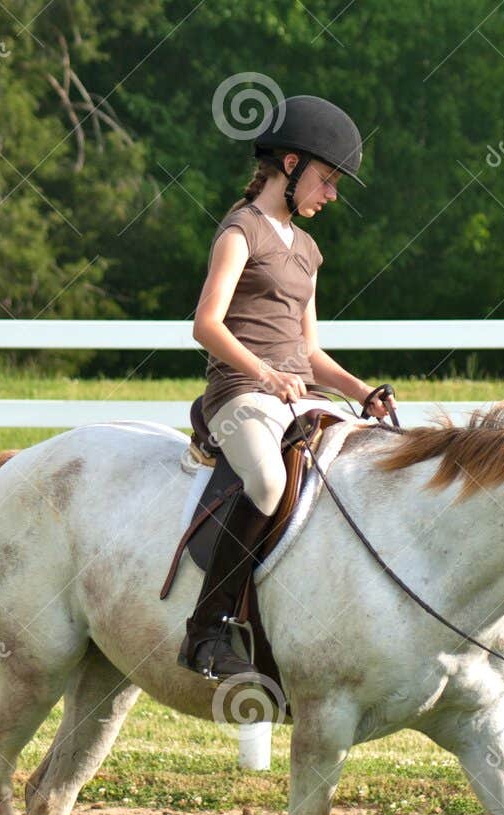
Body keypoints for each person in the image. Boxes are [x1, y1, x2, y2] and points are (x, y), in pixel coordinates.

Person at [180, 94, 390, 681]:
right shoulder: (240, 230)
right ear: (291, 165)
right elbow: (206, 324)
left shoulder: (308, 251)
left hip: (297, 395)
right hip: (239, 394)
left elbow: (309, 352)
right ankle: (206, 631)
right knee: (269, 482)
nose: (333, 195)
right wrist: (264, 373)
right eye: (328, 180)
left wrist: (362, 391)